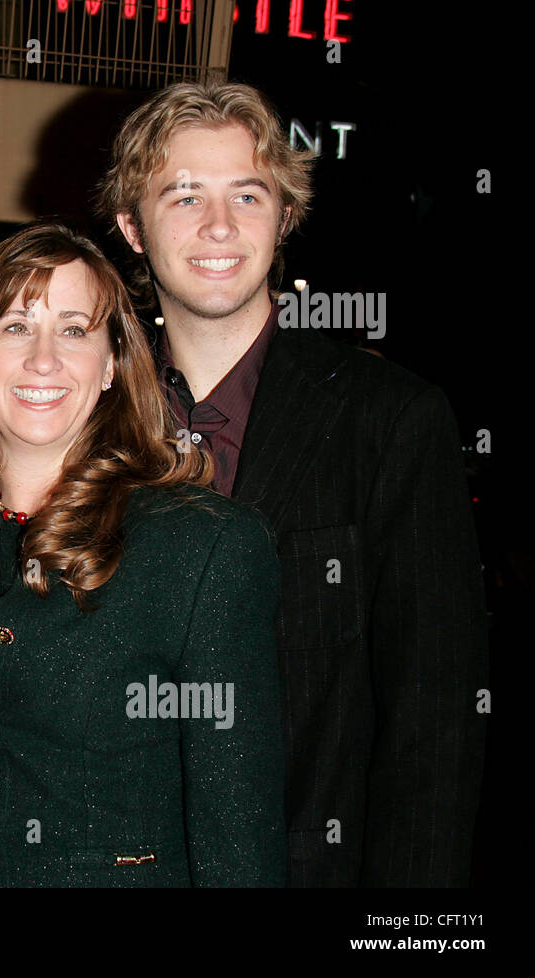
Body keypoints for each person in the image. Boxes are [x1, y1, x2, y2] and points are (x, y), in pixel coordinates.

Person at [98, 81, 488, 886]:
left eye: (248, 194)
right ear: (132, 227)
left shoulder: (390, 421)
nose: (218, 226)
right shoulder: (78, 414)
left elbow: (436, 719)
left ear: (285, 216)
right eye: (183, 196)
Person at [0, 222, 286, 887]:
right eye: (15, 327)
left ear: (112, 363)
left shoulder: (203, 549)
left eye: (74, 330)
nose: (44, 360)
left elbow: (239, 839)